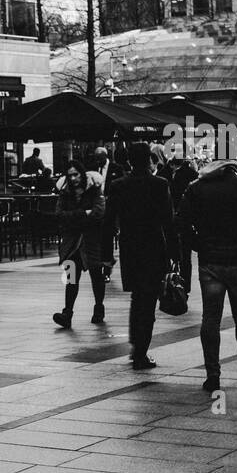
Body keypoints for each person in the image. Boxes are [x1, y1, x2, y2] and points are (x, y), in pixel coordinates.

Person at [178, 156, 237, 392]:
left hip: (210, 262)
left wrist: (198, 245)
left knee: (210, 319)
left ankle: (213, 374)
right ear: (233, 167)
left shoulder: (196, 188)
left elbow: (180, 222)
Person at [103, 142, 178, 369]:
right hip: (155, 248)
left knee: (138, 298)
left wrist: (107, 255)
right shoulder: (160, 184)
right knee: (149, 301)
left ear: (128, 161)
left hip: (130, 249)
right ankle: (140, 352)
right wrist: (176, 254)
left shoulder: (118, 186)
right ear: (149, 160)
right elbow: (169, 221)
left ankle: (136, 345)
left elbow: (108, 223)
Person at [53, 162, 107, 328]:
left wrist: (74, 218)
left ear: (82, 174)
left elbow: (99, 212)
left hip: (92, 240)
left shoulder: (94, 189)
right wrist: (84, 213)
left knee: (96, 276)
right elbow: (60, 215)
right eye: (70, 175)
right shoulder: (65, 193)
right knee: (71, 279)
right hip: (71, 244)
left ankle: (99, 307)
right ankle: (67, 313)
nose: (74, 178)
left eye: (76, 174)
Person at [166, 152, 199, 294]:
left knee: (174, 255)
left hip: (174, 221)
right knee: (186, 257)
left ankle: (172, 283)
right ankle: (185, 286)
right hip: (187, 221)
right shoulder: (193, 174)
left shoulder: (168, 174)